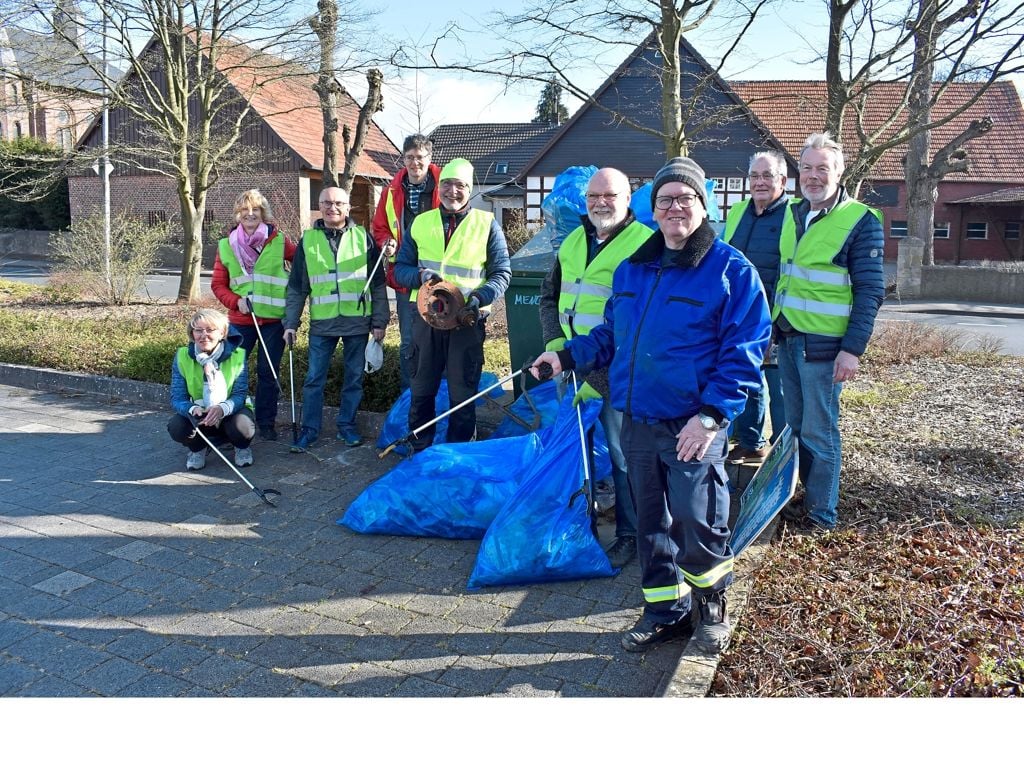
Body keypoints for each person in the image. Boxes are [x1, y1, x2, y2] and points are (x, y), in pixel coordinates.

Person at [531, 157, 770, 654]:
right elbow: (610, 334)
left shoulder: (731, 271)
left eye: (686, 199)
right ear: (654, 210)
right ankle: (664, 611)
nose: (675, 208)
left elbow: (746, 351)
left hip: (692, 426)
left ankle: (711, 611)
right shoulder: (634, 267)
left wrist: (710, 418)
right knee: (651, 524)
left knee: (698, 520)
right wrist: (566, 355)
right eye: (666, 200)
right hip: (638, 418)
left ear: (704, 206)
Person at [538, 167, 653, 569]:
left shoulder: (644, 245)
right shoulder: (573, 240)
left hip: (614, 370)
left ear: (627, 199)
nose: (600, 203)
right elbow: (548, 296)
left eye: (609, 196)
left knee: (623, 455)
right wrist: (555, 344)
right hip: (567, 365)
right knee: (576, 450)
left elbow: (638, 322)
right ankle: (581, 521)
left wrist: (596, 372)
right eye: (593, 197)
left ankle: (630, 534)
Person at [775, 132, 885, 531]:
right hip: (788, 338)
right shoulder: (792, 213)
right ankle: (807, 497)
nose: (813, 176)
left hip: (825, 348)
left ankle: (822, 515)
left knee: (821, 432)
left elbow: (871, 291)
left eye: (823, 168)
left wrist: (852, 349)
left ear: (839, 173)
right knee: (798, 425)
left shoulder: (860, 221)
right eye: (806, 168)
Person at [393, 157, 511, 451]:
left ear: (469, 189)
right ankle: (420, 448)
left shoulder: (487, 224)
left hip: (465, 320)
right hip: (425, 318)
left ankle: (459, 452)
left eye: (460, 185)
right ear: (439, 187)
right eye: (447, 184)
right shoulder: (421, 223)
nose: (452, 191)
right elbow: (399, 268)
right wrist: (419, 276)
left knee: (463, 390)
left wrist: (480, 298)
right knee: (421, 387)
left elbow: (502, 273)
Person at [284, 186, 388, 451]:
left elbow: (377, 283)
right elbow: (297, 287)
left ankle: (347, 426)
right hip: (323, 324)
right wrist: (291, 323)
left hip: (357, 323)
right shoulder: (307, 241)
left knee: (353, 378)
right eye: (327, 203)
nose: (333, 208)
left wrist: (379, 321)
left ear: (348, 206)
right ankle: (310, 430)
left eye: (338, 203)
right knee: (314, 379)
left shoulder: (363, 238)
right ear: (319, 205)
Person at [211, 189, 297, 441]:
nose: (250, 214)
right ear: (238, 214)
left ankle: (266, 423)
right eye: (245, 210)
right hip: (240, 322)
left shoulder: (279, 240)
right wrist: (236, 301)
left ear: (263, 213)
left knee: (268, 373)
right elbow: (218, 285)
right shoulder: (226, 245)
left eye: (256, 209)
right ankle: (229, 425)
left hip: (273, 322)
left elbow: (302, 266)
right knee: (230, 374)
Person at [723, 151, 790, 463]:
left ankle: (783, 456)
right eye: (755, 176)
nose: (760, 182)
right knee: (746, 380)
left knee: (780, 392)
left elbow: (789, 270)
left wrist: (775, 323)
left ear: (782, 181)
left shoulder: (794, 215)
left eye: (768, 176)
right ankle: (751, 441)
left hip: (776, 318)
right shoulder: (737, 212)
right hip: (738, 316)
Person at [371, 134, 442, 391]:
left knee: (440, 339)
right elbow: (380, 227)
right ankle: (408, 400)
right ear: (404, 159)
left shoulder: (443, 187)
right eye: (410, 157)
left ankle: (438, 398)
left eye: (420, 157)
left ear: (429, 158)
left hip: (439, 277)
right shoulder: (391, 191)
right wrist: (386, 242)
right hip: (405, 276)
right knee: (409, 342)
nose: (415, 163)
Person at [168, 308, 256, 470]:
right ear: (192, 333)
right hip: (200, 413)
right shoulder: (182, 356)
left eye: (210, 330)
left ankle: (241, 447)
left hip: (230, 411)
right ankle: (197, 448)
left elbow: (240, 394)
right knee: (177, 427)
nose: (204, 335)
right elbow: (177, 397)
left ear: (222, 333)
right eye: (198, 330)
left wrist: (222, 408)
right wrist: (192, 408)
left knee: (243, 426)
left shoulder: (238, 356)